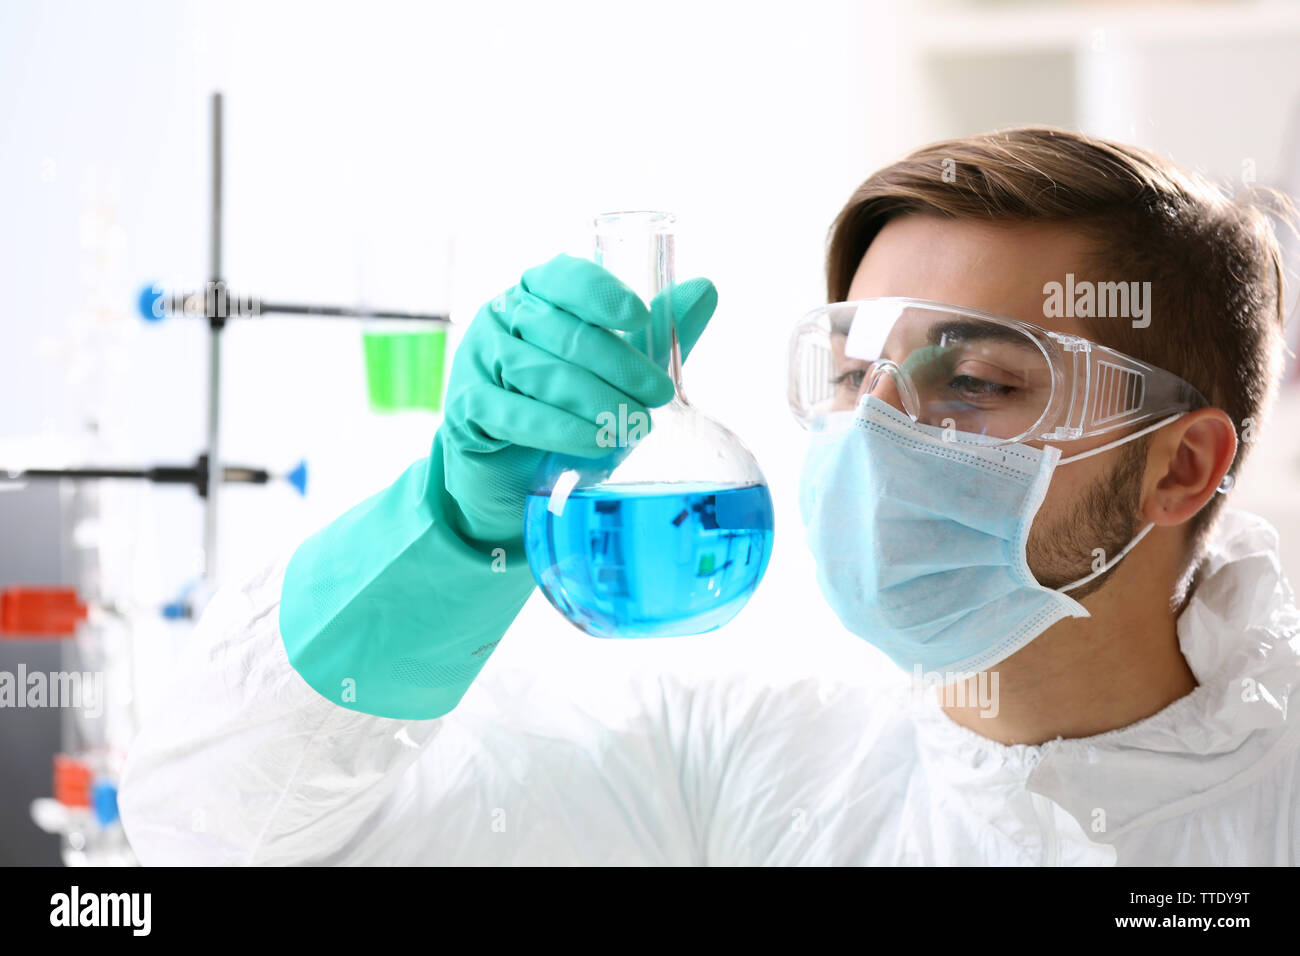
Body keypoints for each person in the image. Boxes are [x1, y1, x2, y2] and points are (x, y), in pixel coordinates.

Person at [119, 127, 1300, 865]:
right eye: (847, 376)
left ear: (1177, 465)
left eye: (975, 382)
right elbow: (220, 835)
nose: (869, 441)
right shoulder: (743, 764)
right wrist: (452, 528)